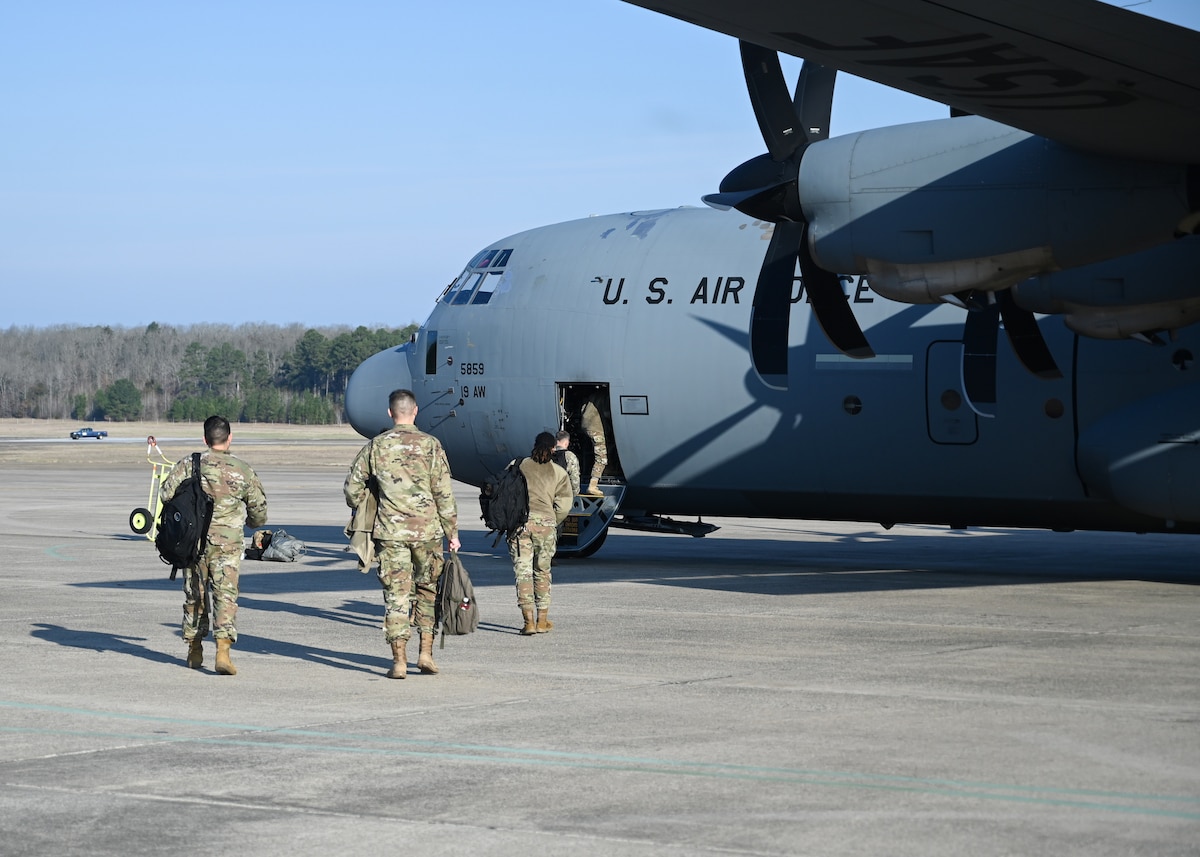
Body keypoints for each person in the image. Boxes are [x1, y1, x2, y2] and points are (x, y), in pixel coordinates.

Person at [344, 388, 461, 680]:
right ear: (415, 411)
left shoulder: (376, 446)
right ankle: (426, 653)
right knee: (427, 591)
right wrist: (452, 532)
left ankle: (399, 661)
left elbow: (352, 489)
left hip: (391, 534)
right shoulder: (431, 445)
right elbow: (443, 493)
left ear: (390, 413)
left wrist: (365, 501)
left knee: (396, 596)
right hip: (427, 532)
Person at [160, 415, 267, 676]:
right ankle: (223, 652)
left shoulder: (189, 464)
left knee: (194, 595)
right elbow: (259, 512)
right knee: (225, 596)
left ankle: (194, 649)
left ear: (205, 439)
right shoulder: (242, 469)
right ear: (229, 438)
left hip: (193, 543)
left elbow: (165, 494)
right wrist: (249, 522)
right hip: (227, 545)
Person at [511, 432, 573, 635]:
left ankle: (528, 622)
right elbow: (564, 505)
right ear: (554, 448)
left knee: (523, 572)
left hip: (520, 526)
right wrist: (552, 520)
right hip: (545, 525)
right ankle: (542, 621)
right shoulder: (559, 472)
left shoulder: (518, 465)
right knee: (542, 571)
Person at [580, 395, 607, 496]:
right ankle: (593, 485)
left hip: (586, 426)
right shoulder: (603, 398)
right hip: (596, 428)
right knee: (601, 458)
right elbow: (607, 414)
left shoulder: (591, 398)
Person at [552, 430, 581, 496]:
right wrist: (574, 493)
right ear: (566, 442)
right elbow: (574, 477)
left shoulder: (547, 454)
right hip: (562, 494)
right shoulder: (569, 456)